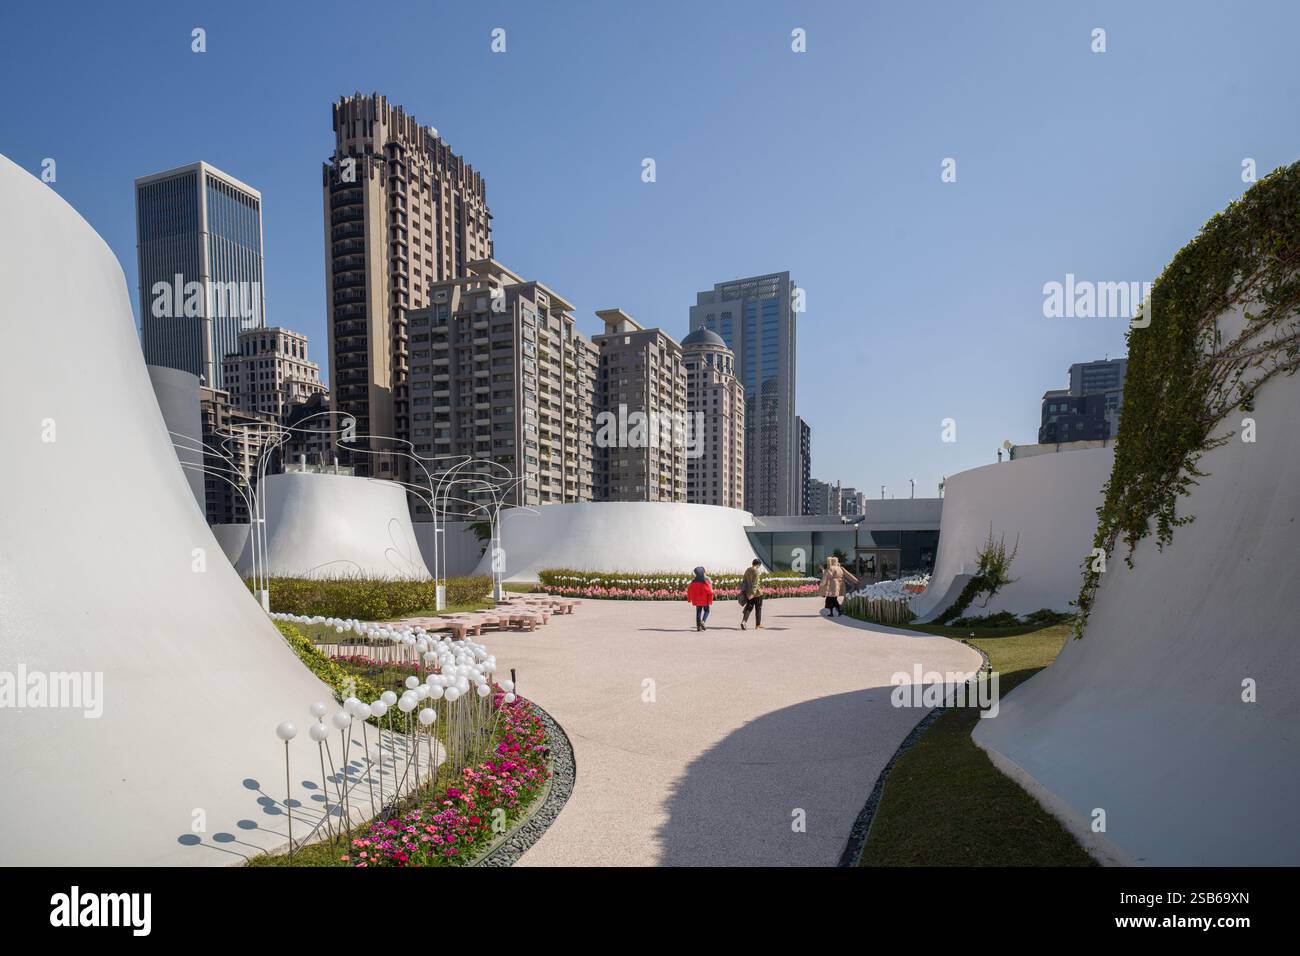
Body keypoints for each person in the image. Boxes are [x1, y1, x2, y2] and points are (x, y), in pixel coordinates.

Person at [687, 566, 714, 631]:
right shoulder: (705, 581)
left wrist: (689, 599)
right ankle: (703, 621)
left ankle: (698, 626)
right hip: (705, 600)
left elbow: (689, 590)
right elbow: (710, 591)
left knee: (698, 612)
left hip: (697, 600)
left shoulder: (693, 581)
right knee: (707, 611)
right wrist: (711, 597)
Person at [740, 559, 764, 630]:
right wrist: (753, 594)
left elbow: (744, 581)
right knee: (758, 608)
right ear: (758, 565)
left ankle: (744, 621)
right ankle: (758, 625)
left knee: (749, 608)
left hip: (748, 593)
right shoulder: (756, 572)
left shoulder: (747, 570)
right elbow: (755, 585)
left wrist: (746, 592)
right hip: (757, 594)